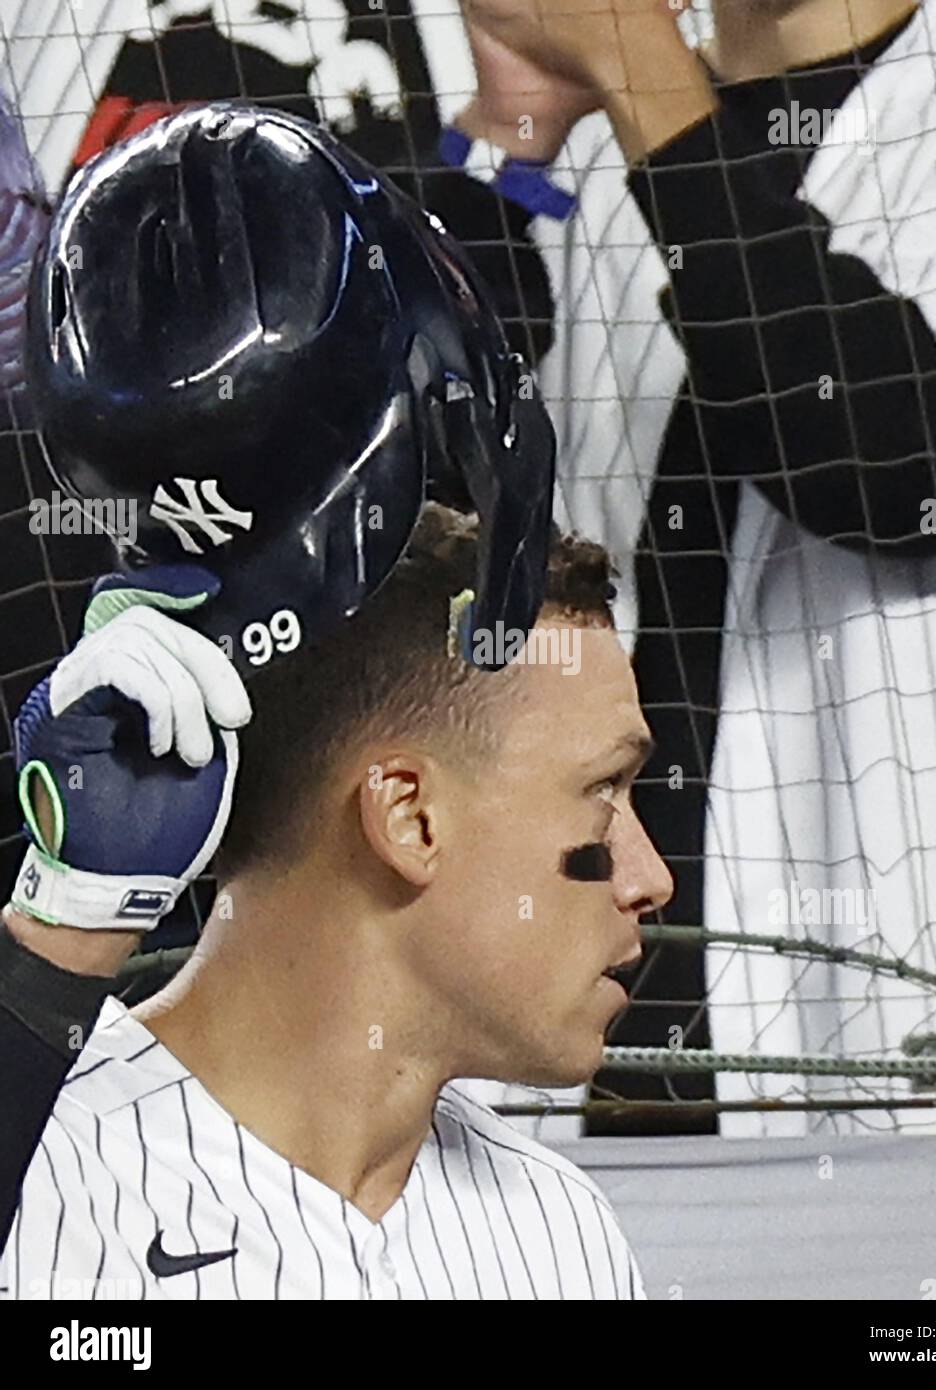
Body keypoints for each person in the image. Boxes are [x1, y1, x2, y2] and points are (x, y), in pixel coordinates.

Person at [0, 102, 669, 1298]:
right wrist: (57, 940)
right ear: (406, 815)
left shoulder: (564, 1236)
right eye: (603, 792)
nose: (650, 874)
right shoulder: (43, 1169)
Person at [456, 0, 936, 1133]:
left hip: (911, 980)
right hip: (607, 1004)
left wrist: (633, 55)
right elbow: (425, 465)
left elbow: (889, 469)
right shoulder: (610, 144)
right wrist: (507, 130)